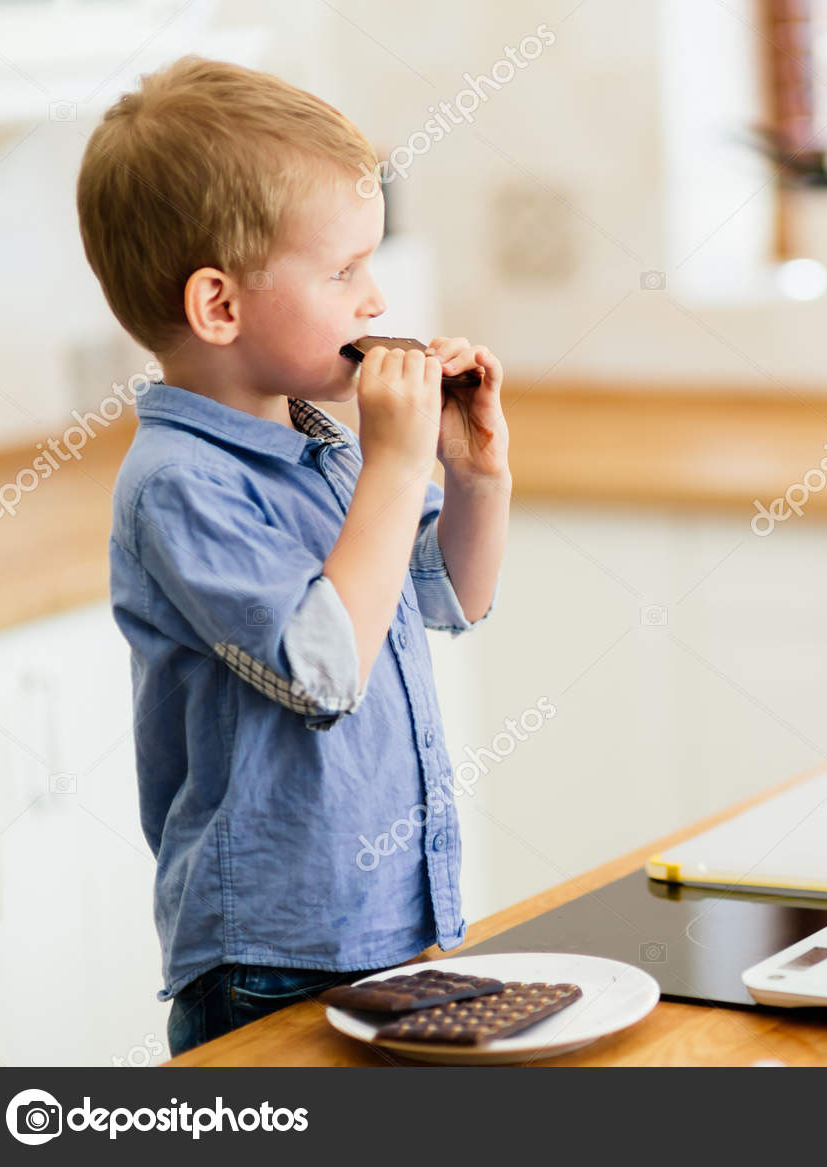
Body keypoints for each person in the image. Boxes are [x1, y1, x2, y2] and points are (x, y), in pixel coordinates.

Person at [75, 56, 510, 1055]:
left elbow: (449, 599)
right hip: (270, 960)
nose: (375, 300)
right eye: (344, 270)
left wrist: (474, 476)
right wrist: (395, 469)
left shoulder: (319, 445)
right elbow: (322, 672)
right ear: (220, 307)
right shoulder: (182, 483)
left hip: (393, 922)